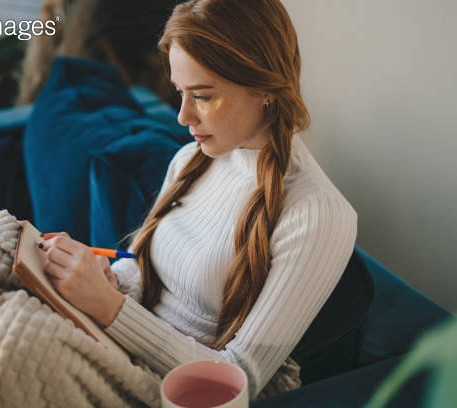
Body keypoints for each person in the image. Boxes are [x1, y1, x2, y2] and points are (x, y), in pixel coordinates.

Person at [30, 0, 358, 400]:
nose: (182, 116)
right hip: (112, 344)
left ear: (266, 87)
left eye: (202, 96)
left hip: (166, 388)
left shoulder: (317, 214)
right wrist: (107, 278)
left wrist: (110, 309)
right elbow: (140, 270)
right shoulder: (189, 160)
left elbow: (242, 378)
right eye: (179, 92)